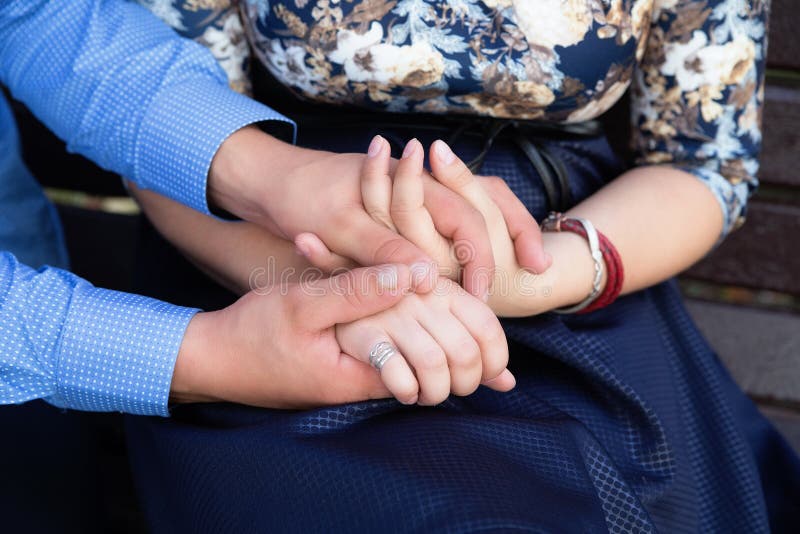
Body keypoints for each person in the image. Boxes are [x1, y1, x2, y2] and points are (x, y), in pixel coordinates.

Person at [122, 0, 800, 532]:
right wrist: (333, 288)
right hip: (275, 245)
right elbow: (158, 127)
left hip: (571, 259)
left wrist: (536, 274)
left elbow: (703, 163)